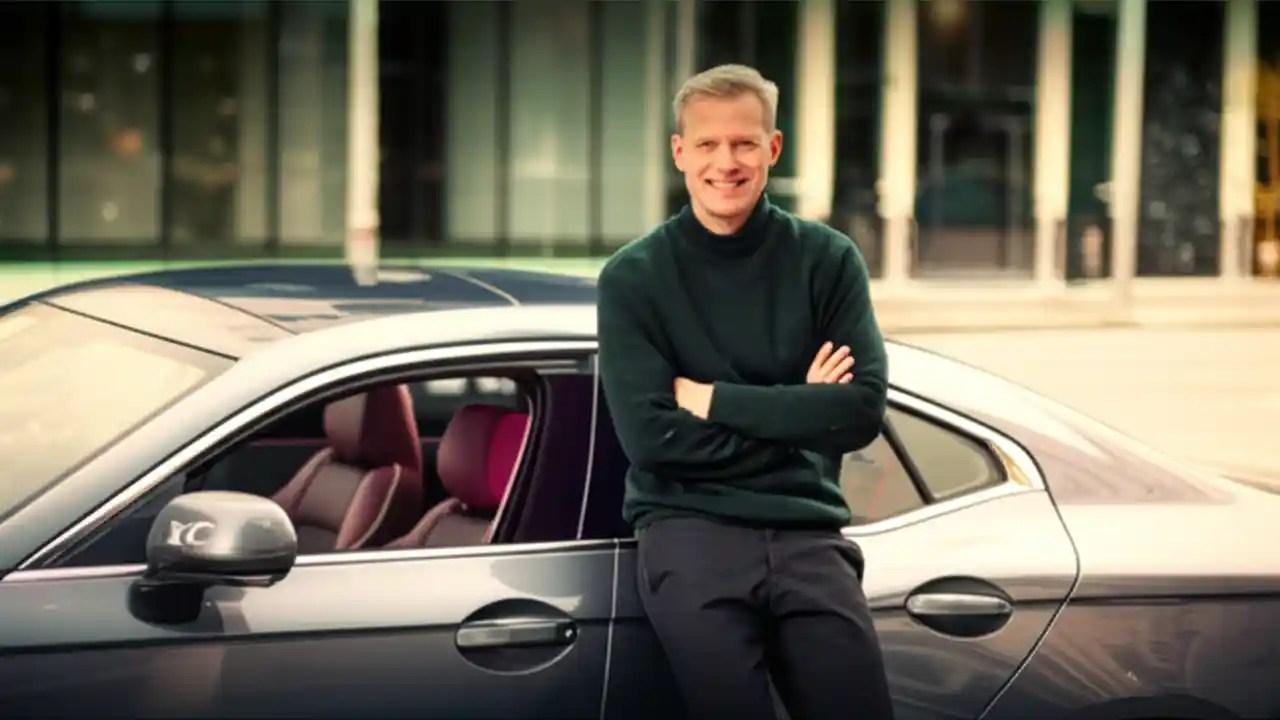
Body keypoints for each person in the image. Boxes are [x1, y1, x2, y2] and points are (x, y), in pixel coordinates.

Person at [596, 64, 896, 720]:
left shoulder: (828, 259)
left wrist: (715, 400)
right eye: (707, 144)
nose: (725, 162)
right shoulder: (633, 279)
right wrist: (797, 412)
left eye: (743, 143)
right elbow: (653, 440)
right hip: (691, 535)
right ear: (680, 153)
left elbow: (859, 411)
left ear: (773, 148)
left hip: (808, 536)